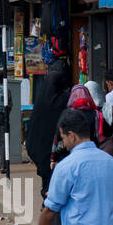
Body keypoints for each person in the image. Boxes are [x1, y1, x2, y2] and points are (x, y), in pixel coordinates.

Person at [25, 55, 72, 200]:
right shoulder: (64, 99)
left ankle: (48, 206)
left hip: (39, 148)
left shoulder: (40, 99)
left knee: (48, 180)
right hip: (55, 150)